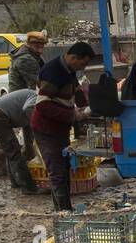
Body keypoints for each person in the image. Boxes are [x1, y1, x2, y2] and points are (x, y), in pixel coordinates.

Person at [30, 41, 94, 212]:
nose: (83, 68)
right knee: (57, 173)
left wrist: (88, 106)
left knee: (63, 170)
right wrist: (73, 115)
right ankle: (65, 214)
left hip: (60, 128)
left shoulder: (69, 70)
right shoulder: (53, 72)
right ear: (73, 57)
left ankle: (63, 210)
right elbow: (42, 105)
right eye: (83, 63)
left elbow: (77, 90)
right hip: (46, 129)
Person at [0, 88, 39, 192]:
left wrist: (30, 154)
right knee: (13, 150)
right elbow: (28, 109)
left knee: (11, 150)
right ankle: (28, 188)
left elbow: (29, 138)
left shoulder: (30, 111)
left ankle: (16, 183)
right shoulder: (36, 97)